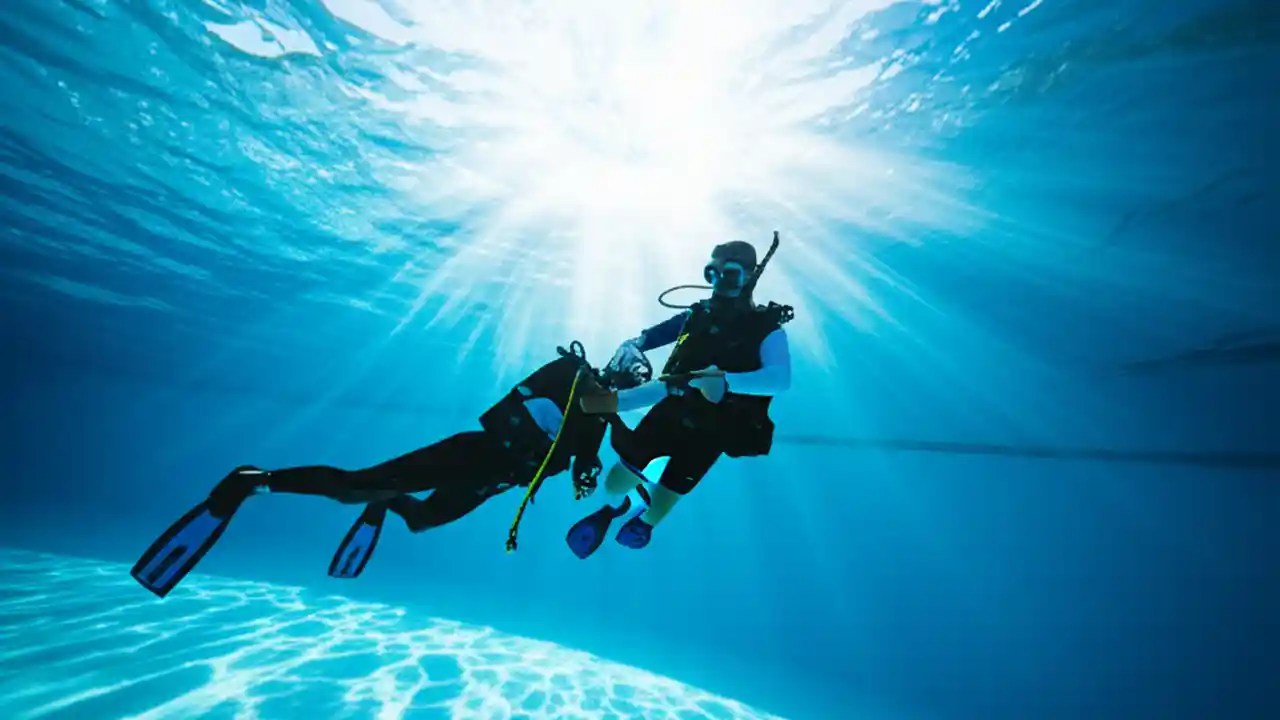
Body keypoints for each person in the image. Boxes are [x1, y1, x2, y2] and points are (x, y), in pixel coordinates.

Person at [131, 343, 635, 598]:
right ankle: (252, 481)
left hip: (490, 482)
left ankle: (384, 501)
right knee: (351, 488)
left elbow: (584, 459)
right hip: (469, 455)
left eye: (637, 382)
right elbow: (550, 406)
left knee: (420, 521)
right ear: (613, 365)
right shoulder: (572, 374)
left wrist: (586, 474)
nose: (627, 384)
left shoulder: (602, 417)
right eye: (628, 374)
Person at [566, 236, 795, 558]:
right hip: (671, 408)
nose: (719, 283)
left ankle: (642, 519)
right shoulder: (697, 314)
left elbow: (778, 380)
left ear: (749, 275)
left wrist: (725, 381)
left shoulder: (767, 328)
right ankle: (619, 506)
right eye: (711, 274)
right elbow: (660, 333)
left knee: (664, 501)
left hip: (718, 427)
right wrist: (634, 344)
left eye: (728, 273)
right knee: (616, 483)